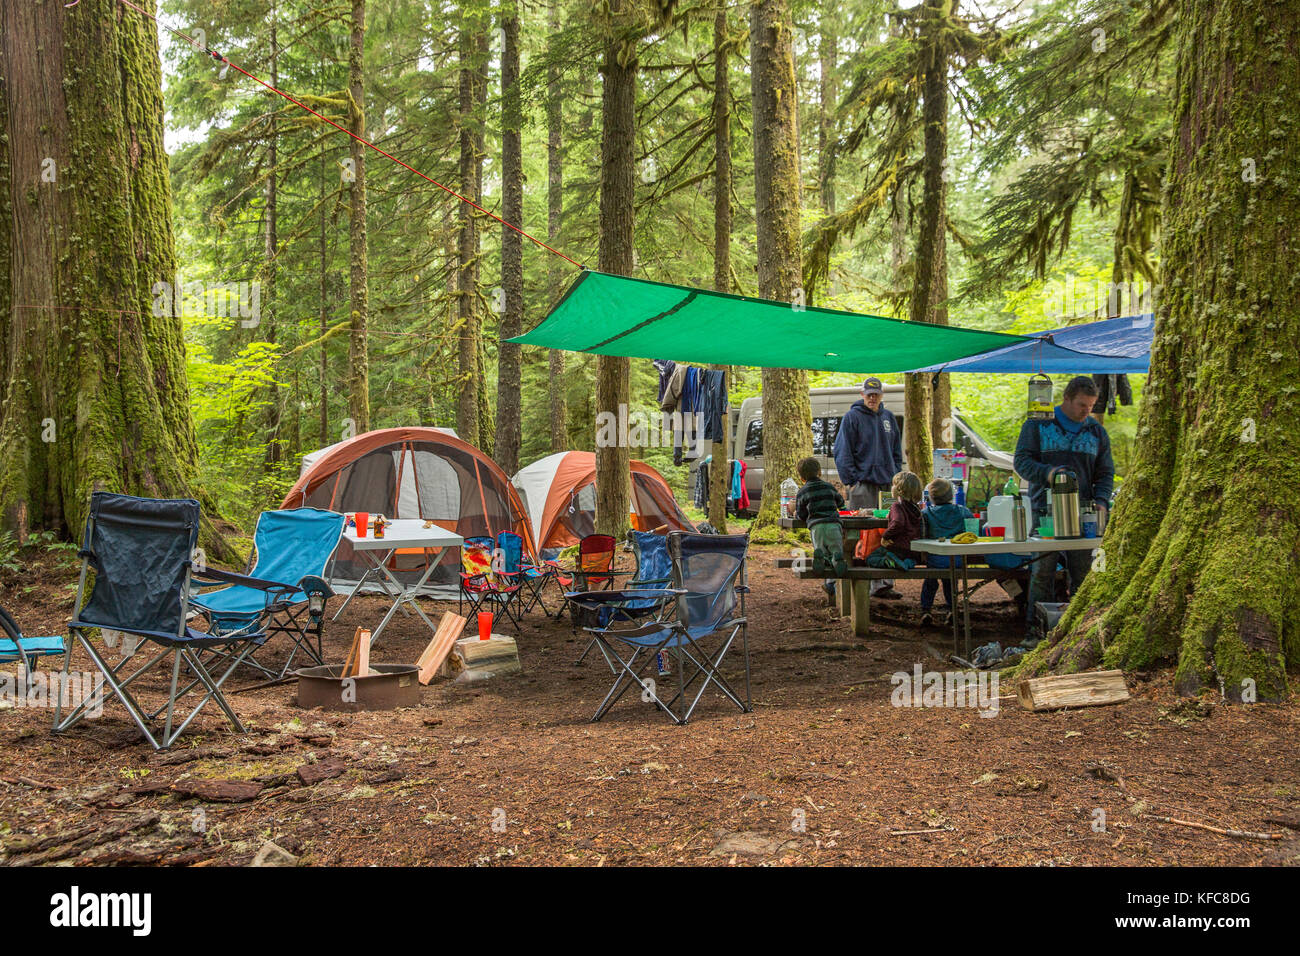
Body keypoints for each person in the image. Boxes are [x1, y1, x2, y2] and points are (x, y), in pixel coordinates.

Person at [1013, 375, 1116, 633]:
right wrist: (1047, 473)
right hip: (1044, 511)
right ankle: (1035, 633)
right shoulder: (1038, 425)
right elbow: (1021, 462)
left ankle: (1080, 631)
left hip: (1084, 514)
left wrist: (1101, 500)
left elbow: (1105, 472)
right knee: (1042, 573)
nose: (1087, 411)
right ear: (1066, 399)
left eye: (1091, 406)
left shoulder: (1096, 432)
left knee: (1083, 574)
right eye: (1082, 405)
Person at [833, 377, 903, 599]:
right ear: (862, 395)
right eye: (869, 394)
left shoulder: (889, 418)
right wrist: (851, 481)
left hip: (887, 486)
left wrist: (896, 477)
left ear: (882, 395)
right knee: (861, 533)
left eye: (876, 394)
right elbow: (842, 451)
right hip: (863, 485)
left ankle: (883, 583)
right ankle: (857, 583)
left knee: (887, 531)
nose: (873, 398)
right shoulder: (852, 418)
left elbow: (896, 451)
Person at [919, 477, 973, 627]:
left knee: (930, 581)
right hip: (956, 559)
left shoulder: (926, 512)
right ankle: (952, 609)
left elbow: (922, 536)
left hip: (934, 559)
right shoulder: (962, 511)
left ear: (931, 496)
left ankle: (926, 610)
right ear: (951, 495)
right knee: (951, 581)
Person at [794, 457, 847, 607]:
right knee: (836, 548)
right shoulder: (829, 487)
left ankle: (821, 558)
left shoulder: (803, 491)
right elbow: (841, 502)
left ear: (801, 477)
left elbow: (801, 514)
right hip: (834, 525)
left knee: (821, 548)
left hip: (816, 526)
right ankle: (837, 558)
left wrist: (798, 516)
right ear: (819, 472)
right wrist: (844, 510)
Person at [873, 470, 924, 568]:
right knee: (911, 559)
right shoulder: (916, 507)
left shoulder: (897, 506)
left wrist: (885, 536)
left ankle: (890, 562)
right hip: (914, 550)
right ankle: (908, 563)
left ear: (899, 489)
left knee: (872, 557)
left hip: (898, 548)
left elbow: (898, 522)